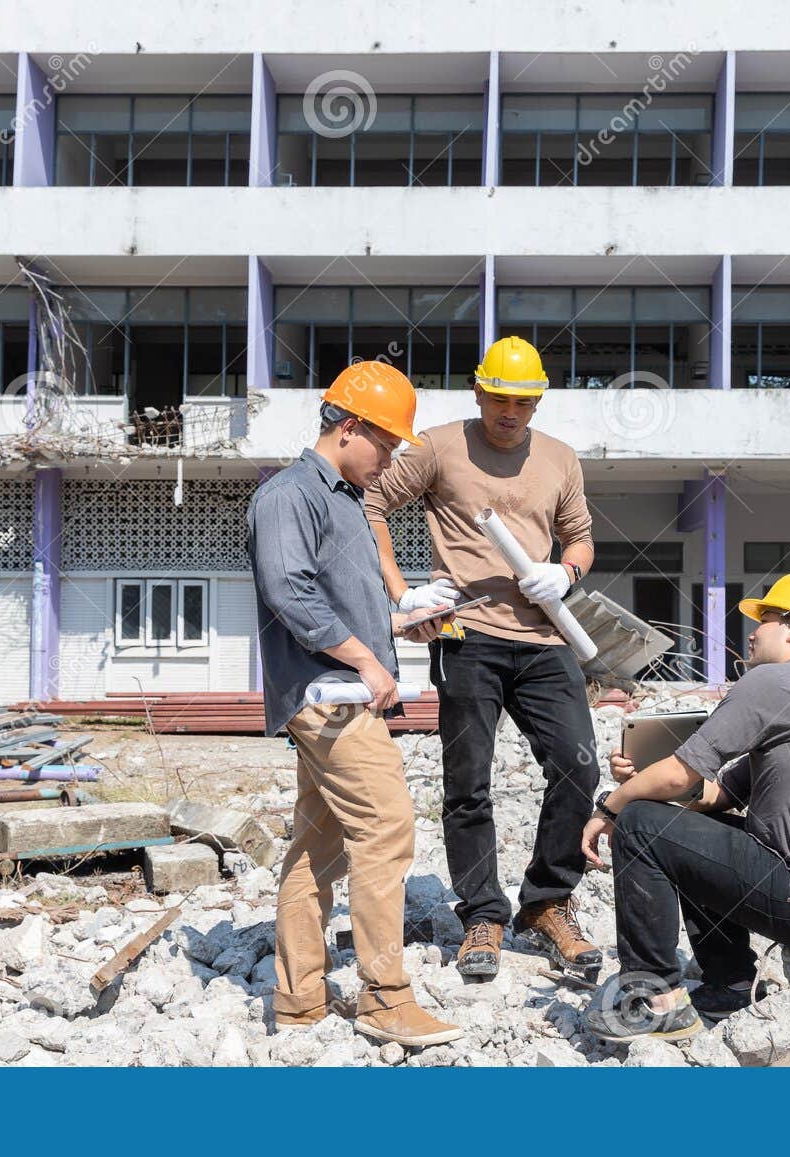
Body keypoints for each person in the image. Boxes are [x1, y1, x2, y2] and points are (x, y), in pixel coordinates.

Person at [364, 335, 602, 980]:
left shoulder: (559, 458)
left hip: (545, 638)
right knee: (468, 783)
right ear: (478, 391)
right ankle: (482, 914)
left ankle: (547, 903)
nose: (510, 414)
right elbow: (373, 503)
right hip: (467, 636)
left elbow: (580, 537)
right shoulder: (439, 446)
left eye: (523, 403)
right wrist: (402, 592)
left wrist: (566, 573)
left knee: (579, 768)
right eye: (499, 399)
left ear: (538, 402)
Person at [247, 360, 463, 1048]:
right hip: (328, 700)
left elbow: (347, 607)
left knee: (317, 848)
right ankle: (385, 996)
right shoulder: (288, 495)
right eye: (388, 444)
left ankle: (299, 1000)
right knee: (388, 827)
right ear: (348, 428)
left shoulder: (343, 500)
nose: (392, 458)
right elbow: (289, 592)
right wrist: (369, 659)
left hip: (340, 692)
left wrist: (404, 624)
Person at [578, 573, 790, 1041]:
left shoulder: (776, 682)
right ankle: (731, 986)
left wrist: (611, 805)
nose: (754, 631)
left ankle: (656, 998)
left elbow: (681, 776)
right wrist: (642, 782)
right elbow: (712, 795)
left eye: (766, 619)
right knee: (688, 823)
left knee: (639, 823)